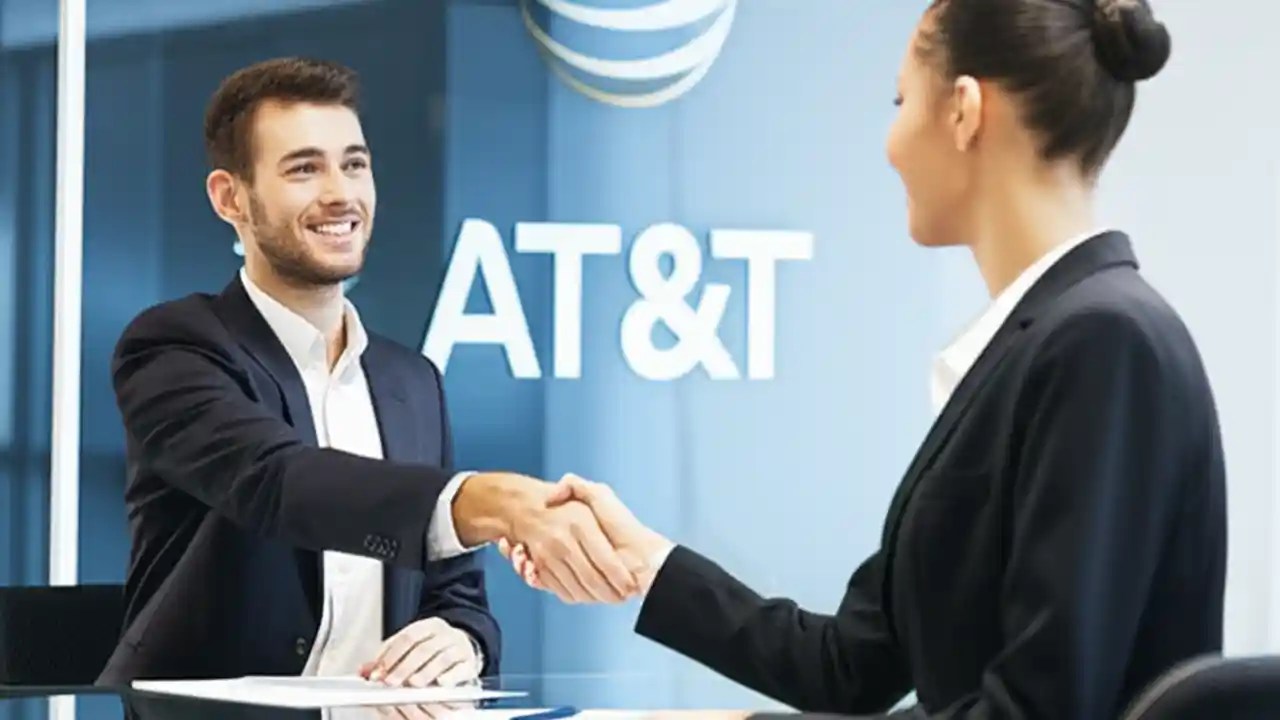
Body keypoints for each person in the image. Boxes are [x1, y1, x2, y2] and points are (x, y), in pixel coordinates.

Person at [500, 1, 1228, 718]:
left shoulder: (1101, 344)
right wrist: (646, 564)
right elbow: (852, 667)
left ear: (964, 112)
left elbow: (1037, 710)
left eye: (901, 99)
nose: (889, 142)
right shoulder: (1050, 342)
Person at [99, 57, 638, 686]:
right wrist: (495, 500)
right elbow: (275, 482)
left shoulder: (411, 380)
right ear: (230, 198)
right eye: (304, 168)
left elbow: (457, 593)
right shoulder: (175, 347)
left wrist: (462, 641)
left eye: (354, 164)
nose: (340, 193)